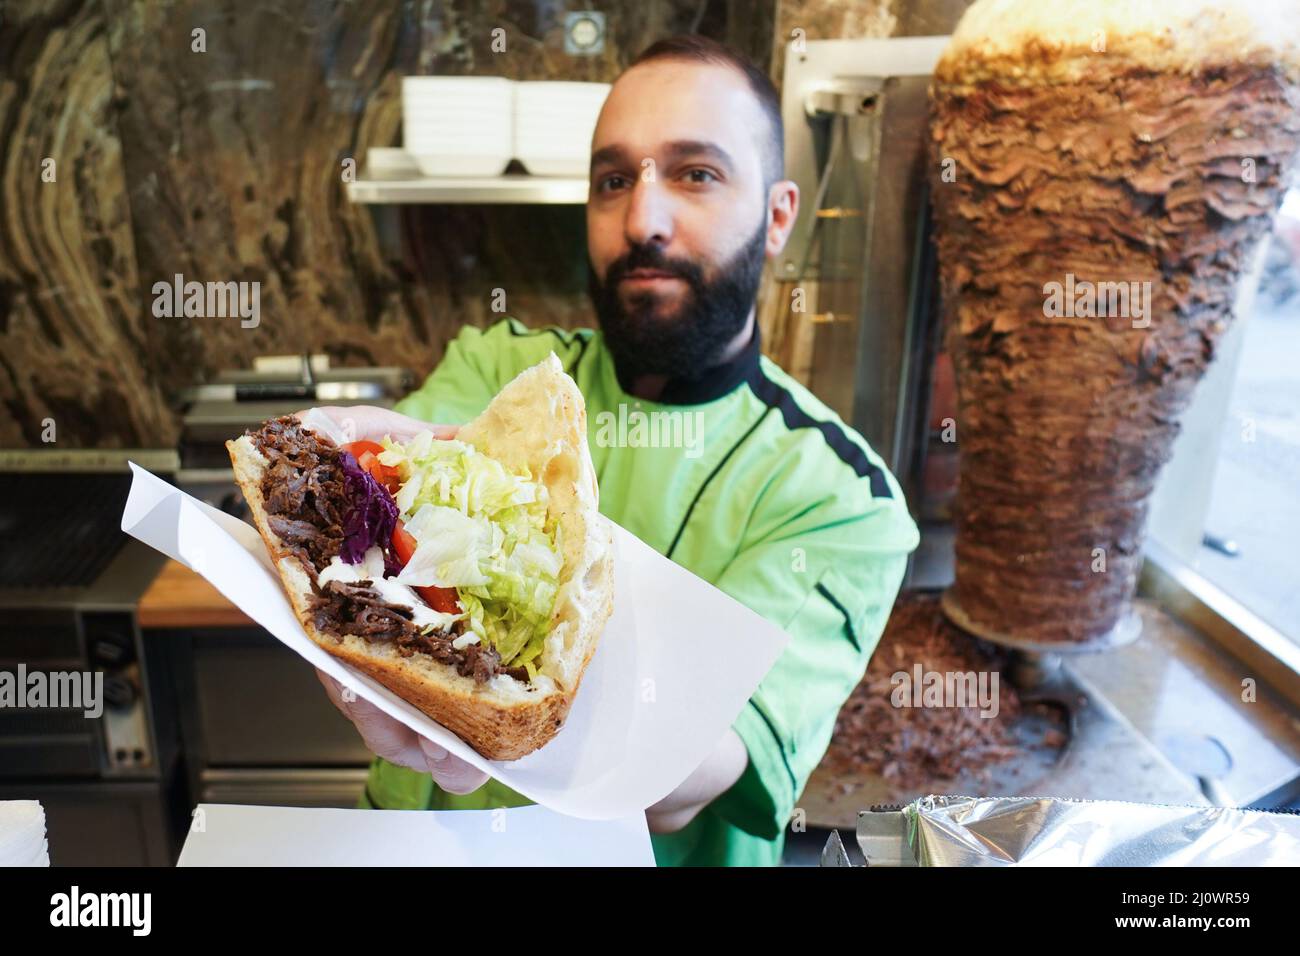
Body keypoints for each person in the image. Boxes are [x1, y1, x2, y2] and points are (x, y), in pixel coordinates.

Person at [310, 34, 919, 866]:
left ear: (780, 216)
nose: (643, 220)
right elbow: (371, 492)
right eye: (613, 180)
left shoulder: (840, 495)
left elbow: (688, 781)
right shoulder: (501, 364)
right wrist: (337, 469)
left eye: (695, 174)